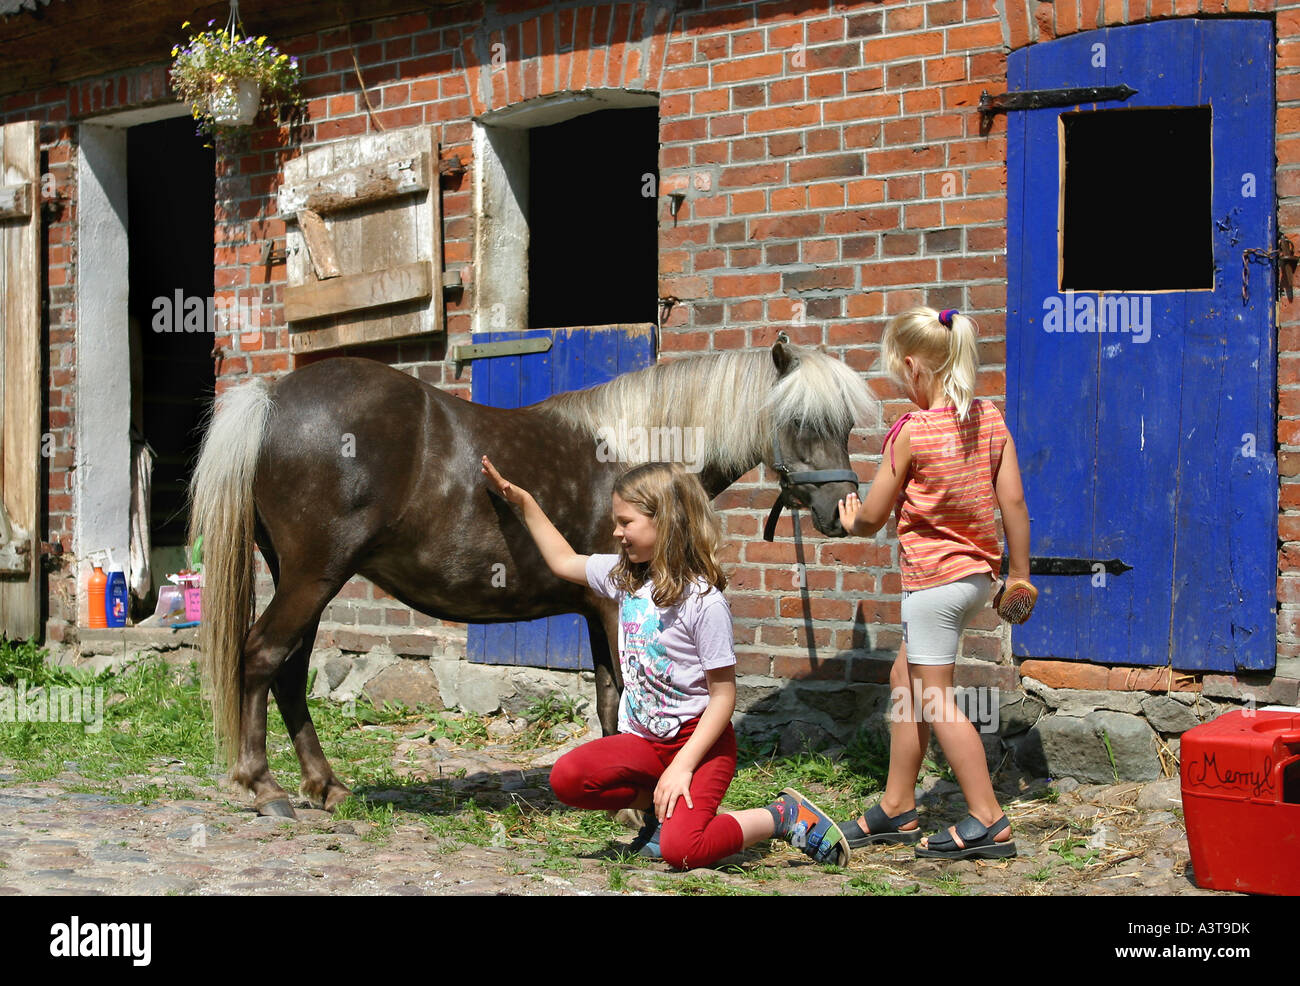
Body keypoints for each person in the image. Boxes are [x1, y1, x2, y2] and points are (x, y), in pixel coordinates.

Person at [479, 455, 850, 871]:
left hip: (699, 744)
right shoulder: (626, 578)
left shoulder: (703, 602)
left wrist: (683, 767)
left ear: (667, 521)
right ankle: (665, 806)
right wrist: (523, 501)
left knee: (683, 851)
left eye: (625, 522)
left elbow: (724, 697)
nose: (616, 533)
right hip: (645, 742)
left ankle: (781, 817)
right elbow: (564, 561)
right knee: (568, 779)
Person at [834, 307, 1030, 860]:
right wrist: (1019, 573)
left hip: (933, 588)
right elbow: (1012, 502)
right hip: (974, 581)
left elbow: (873, 515)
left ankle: (988, 818)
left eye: (901, 376)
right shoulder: (991, 419)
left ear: (915, 366)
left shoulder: (911, 433)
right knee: (906, 676)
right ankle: (898, 804)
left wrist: (851, 518)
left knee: (934, 696)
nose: (904, 386)